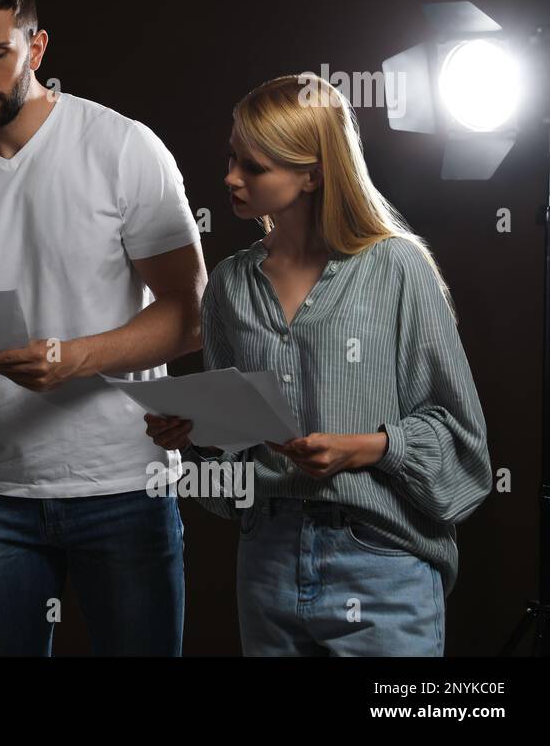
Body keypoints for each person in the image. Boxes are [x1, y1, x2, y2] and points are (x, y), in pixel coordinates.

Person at [0, 0, 206, 656]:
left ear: (36, 45)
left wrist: (73, 359)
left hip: (124, 483)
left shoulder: (123, 147)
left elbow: (190, 314)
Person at [146, 73, 492, 656]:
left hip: (381, 562)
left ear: (313, 173)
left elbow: (463, 445)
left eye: (253, 167)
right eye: (232, 158)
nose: (230, 177)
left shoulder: (396, 269)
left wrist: (365, 448)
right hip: (266, 562)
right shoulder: (230, 286)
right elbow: (229, 469)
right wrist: (194, 438)